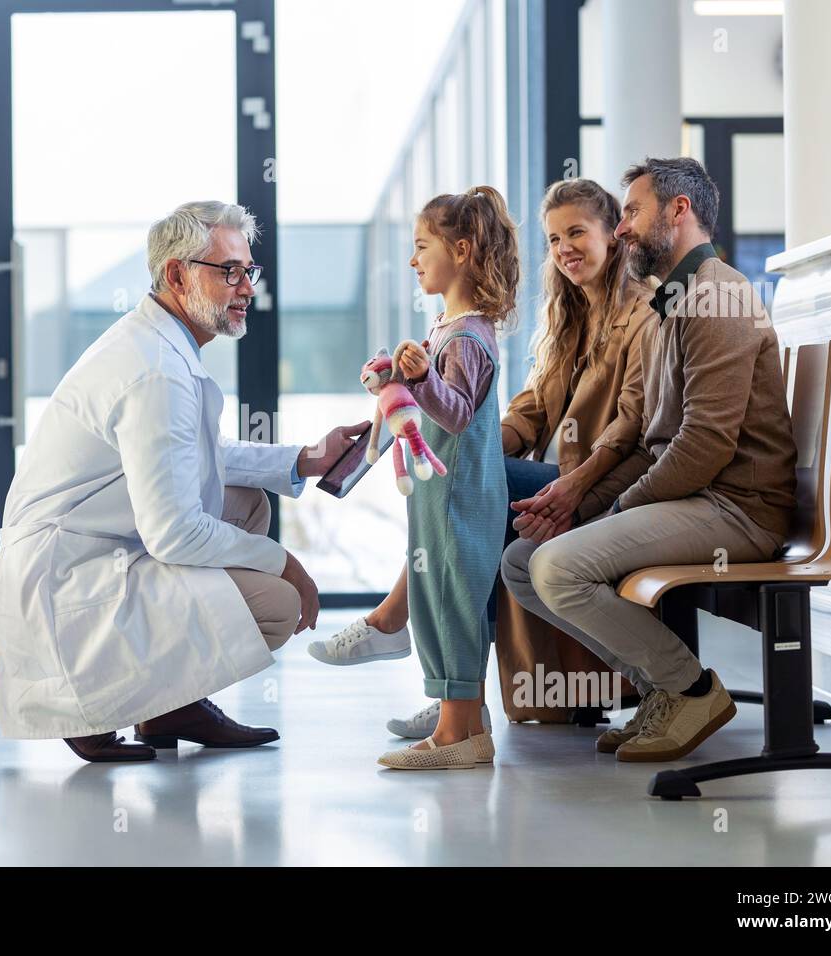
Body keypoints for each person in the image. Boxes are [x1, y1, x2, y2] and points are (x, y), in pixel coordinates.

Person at [0, 200, 368, 763]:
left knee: (244, 504)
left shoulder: (158, 342)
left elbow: (200, 455)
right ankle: (99, 704)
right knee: (279, 604)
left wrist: (309, 458)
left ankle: (171, 706)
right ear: (176, 274)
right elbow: (172, 534)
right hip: (69, 581)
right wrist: (284, 562)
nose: (245, 288)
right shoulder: (154, 369)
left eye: (249, 272)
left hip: (100, 551)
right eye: (229, 271)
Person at [309, 178, 654, 736]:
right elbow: (529, 413)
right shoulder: (567, 317)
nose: (564, 248)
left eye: (577, 233)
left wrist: (556, 483)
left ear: (611, 238)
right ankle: (453, 693)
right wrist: (468, 446)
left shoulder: (643, 314)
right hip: (561, 474)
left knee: (461, 501)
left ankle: (427, 661)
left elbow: (630, 427)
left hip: (609, 481)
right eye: (554, 238)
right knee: (457, 489)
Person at [501, 157, 798, 762]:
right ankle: (659, 689)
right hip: (696, 499)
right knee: (521, 564)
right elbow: (652, 436)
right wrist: (589, 503)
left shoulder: (717, 297)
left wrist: (613, 510)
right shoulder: (674, 301)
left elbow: (703, 444)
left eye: (632, 210)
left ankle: (690, 690)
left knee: (556, 568)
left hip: (736, 509)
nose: (624, 226)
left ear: (679, 210)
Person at [370, 185, 516, 771]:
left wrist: (423, 376)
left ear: (461, 250)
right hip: (442, 495)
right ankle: (462, 720)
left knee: (453, 600)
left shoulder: (467, 336)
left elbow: (453, 410)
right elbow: (430, 400)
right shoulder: (449, 328)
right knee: (436, 597)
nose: (413, 260)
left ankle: (459, 736)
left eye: (421, 246)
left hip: (459, 497)